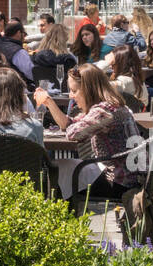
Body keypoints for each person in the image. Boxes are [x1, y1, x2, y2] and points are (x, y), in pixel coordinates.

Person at [34, 64, 141, 201]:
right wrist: (49, 102)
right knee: (64, 167)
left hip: (119, 182)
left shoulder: (103, 111)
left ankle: (59, 213)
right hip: (127, 177)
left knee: (60, 168)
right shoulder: (110, 105)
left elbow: (73, 133)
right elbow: (69, 124)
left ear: (88, 89)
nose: (71, 96)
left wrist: (72, 123)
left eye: (74, 91)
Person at [0, 20, 35, 85]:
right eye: (23, 33)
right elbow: (31, 74)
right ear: (18, 33)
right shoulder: (19, 52)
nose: (24, 36)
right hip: (13, 89)